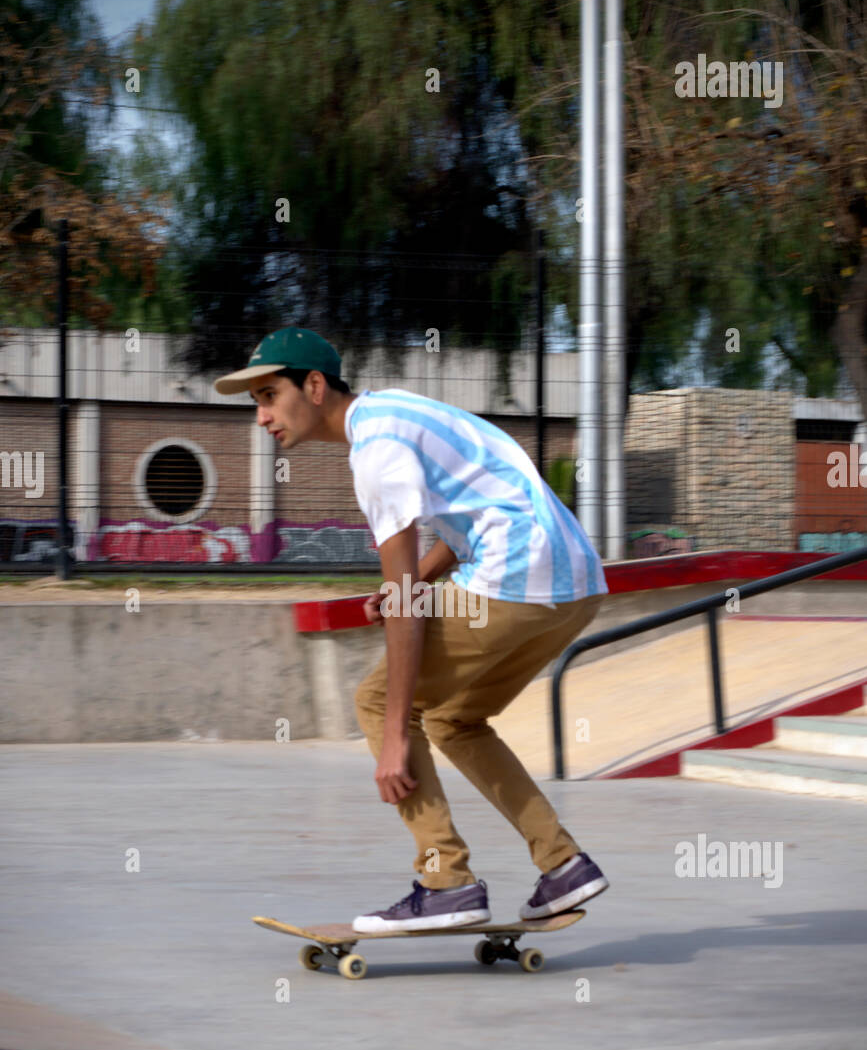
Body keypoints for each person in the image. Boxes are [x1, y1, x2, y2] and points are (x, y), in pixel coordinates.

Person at [216, 327, 610, 933]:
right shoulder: (398, 412)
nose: (263, 416)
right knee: (455, 719)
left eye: (269, 396)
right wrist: (417, 582)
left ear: (314, 386)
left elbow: (405, 605)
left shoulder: (375, 450)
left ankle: (444, 880)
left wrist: (396, 733)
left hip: (517, 575)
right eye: (256, 404)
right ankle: (562, 864)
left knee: (377, 702)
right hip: (575, 583)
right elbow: (464, 525)